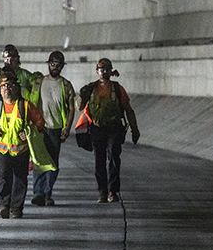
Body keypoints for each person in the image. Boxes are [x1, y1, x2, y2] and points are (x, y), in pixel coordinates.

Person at [0, 70, 44, 219]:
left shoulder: (25, 106)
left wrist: (29, 130)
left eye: (9, 86)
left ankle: (16, 208)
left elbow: (40, 122)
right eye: (3, 86)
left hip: (20, 150)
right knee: (3, 178)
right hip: (0, 150)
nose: (6, 89)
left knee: (20, 180)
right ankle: (3, 205)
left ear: (16, 88)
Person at [77, 58, 140, 203]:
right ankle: (102, 192)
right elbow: (80, 107)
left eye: (106, 69)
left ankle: (113, 191)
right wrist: (82, 95)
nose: (103, 71)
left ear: (111, 71)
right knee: (99, 160)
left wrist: (135, 129)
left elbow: (128, 110)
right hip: (97, 129)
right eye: (101, 69)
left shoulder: (117, 89)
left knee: (113, 157)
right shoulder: (91, 88)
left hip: (114, 128)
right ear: (96, 71)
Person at [31, 51, 76, 206]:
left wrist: (67, 128)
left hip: (56, 129)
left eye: (58, 65)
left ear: (62, 67)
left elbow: (71, 109)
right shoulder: (39, 83)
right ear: (48, 64)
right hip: (40, 128)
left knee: (52, 164)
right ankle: (38, 193)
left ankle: (47, 193)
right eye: (52, 64)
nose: (55, 67)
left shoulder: (66, 85)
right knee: (39, 161)